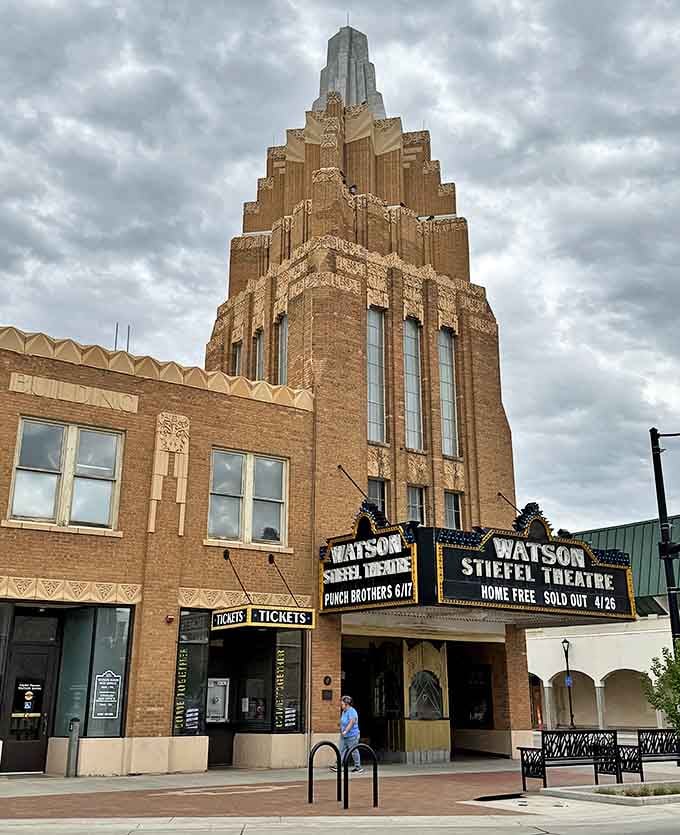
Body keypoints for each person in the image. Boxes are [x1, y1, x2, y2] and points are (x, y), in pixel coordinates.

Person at [330, 695, 363, 773]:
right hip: (344, 736)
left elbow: (351, 722)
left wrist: (345, 731)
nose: (341, 706)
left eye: (342, 704)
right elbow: (343, 722)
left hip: (352, 735)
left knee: (354, 751)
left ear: (347, 704)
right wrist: (340, 727)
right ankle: (338, 766)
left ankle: (358, 767)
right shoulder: (344, 712)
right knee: (340, 750)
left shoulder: (352, 711)